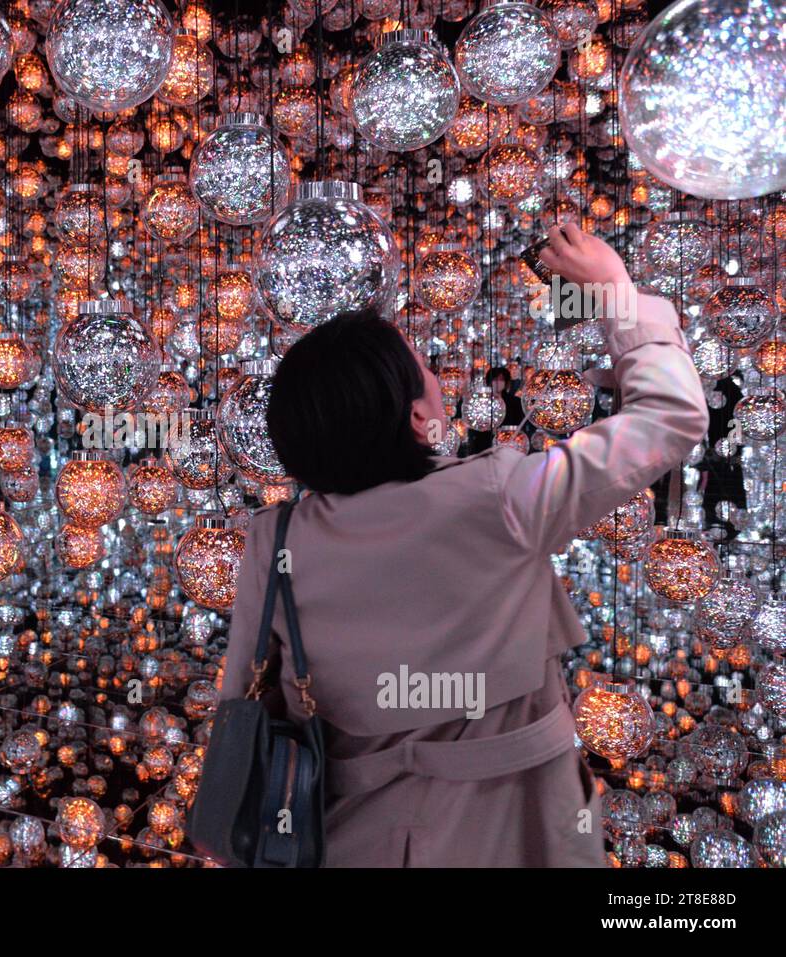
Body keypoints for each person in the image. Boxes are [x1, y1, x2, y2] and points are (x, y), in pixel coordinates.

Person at [220, 224, 708, 866]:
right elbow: (670, 416)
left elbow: (245, 706)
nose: (436, 371)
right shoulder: (501, 496)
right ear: (418, 417)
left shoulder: (275, 539)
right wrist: (616, 297)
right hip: (518, 824)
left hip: (348, 835)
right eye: (422, 366)